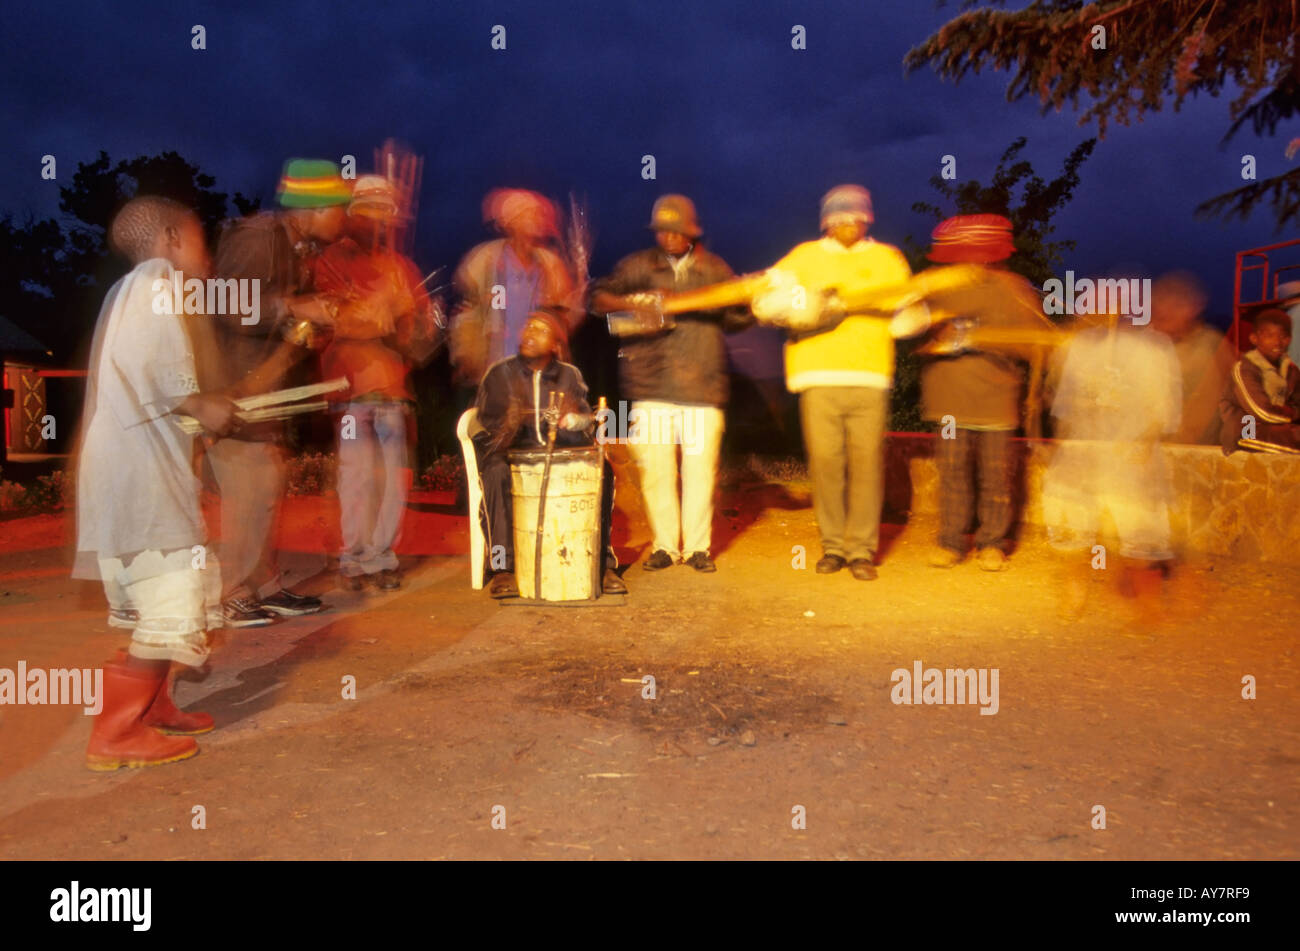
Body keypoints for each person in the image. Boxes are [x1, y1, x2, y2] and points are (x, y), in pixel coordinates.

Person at [73, 196, 239, 770]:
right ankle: (115, 735)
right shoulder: (157, 282)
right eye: (198, 238)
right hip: (137, 475)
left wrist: (193, 423)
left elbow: (139, 385)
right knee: (171, 593)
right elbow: (160, 376)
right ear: (170, 237)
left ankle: (153, 707)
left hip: (124, 465)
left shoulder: (129, 290)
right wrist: (201, 404)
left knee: (153, 600)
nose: (206, 252)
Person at [206, 158, 349, 625]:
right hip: (233, 387)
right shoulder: (258, 238)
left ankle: (262, 585)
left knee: (265, 487)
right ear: (311, 206)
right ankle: (229, 593)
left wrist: (312, 326)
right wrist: (295, 305)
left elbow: (286, 318)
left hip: (264, 391)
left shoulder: (297, 249)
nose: (344, 219)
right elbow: (224, 302)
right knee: (247, 490)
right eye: (338, 208)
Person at [589, 195, 751, 572]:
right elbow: (597, 298)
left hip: (702, 387)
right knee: (657, 471)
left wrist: (747, 300)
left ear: (691, 232)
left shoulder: (713, 269)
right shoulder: (637, 266)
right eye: (663, 230)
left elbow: (737, 320)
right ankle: (664, 545)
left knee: (700, 472)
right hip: (649, 385)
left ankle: (697, 548)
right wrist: (635, 301)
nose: (670, 236)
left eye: (677, 230)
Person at [769, 186, 925, 580]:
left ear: (866, 218)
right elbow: (765, 303)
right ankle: (833, 548)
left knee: (867, 466)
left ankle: (862, 552)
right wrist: (810, 306)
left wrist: (903, 313)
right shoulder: (803, 257)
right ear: (826, 222)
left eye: (854, 217)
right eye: (838, 218)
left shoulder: (888, 259)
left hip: (870, 375)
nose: (846, 224)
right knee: (826, 466)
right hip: (817, 375)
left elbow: (913, 318)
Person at [314, 175, 435, 591]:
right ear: (353, 215)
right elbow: (334, 320)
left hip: (393, 391)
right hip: (349, 389)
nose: (378, 222)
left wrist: (406, 324)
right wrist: (378, 318)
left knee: (393, 478)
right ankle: (353, 558)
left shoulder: (402, 268)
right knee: (358, 475)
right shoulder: (331, 259)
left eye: (384, 214)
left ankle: (383, 556)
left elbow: (420, 333)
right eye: (369, 213)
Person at [914, 215, 1048, 571]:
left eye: (981, 253)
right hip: (948, 400)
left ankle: (992, 543)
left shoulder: (1015, 289)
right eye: (965, 254)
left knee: (995, 475)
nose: (974, 261)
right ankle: (951, 542)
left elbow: (1036, 344)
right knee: (953, 472)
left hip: (997, 401)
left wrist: (986, 339)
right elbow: (911, 333)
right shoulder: (938, 287)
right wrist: (931, 334)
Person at [472, 307, 625, 598]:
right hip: (511, 452)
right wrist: (510, 421)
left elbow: (584, 420)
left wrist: (573, 419)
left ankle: (602, 564)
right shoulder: (500, 374)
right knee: (495, 472)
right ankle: (503, 568)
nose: (530, 334)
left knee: (601, 471)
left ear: (555, 345)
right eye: (528, 327)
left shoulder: (568, 375)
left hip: (559, 452)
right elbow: (484, 423)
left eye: (540, 330)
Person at [1042, 307, 1182, 617]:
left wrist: (1145, 444)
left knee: (1141, 530)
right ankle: (1074, 594)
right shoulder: (1076, 348)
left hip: (1129, 454)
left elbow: (1163, 406)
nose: (1103, 314)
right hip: (1085, 450)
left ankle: (1148, 603)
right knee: (1074, 527)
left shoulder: (1153, 349)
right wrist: (1066, 446)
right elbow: (1064, 405)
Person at [449, 189, 576, 388]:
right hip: (496, 367)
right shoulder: (485, 260)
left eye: (538, 214)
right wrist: (467, 355)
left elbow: (565, 319)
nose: (537, 220)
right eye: (528, 214)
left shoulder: (551, 266)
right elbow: (466, 314)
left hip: (539, 371)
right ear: (510, 222)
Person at [1150, 271, 1232, 445]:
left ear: (1194, 309)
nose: (1165, 311)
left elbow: (1199, 417)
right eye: (1160, 304)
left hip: (1194, 454)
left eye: (1177, 305)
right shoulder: (1150, 346)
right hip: (1157, 452)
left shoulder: (1210, 346)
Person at [1218, 308, 1300, 452]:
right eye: (1269, 336)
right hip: (1245, 428)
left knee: (1290, 435)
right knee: (1292, 435)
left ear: (1290, 339)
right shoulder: (1245, 368)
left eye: (1283, 336)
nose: (1277, 342)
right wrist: (1292, 415)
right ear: (1254, 338)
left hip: (1278, 427)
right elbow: (1261, 411)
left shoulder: (1291, 371)